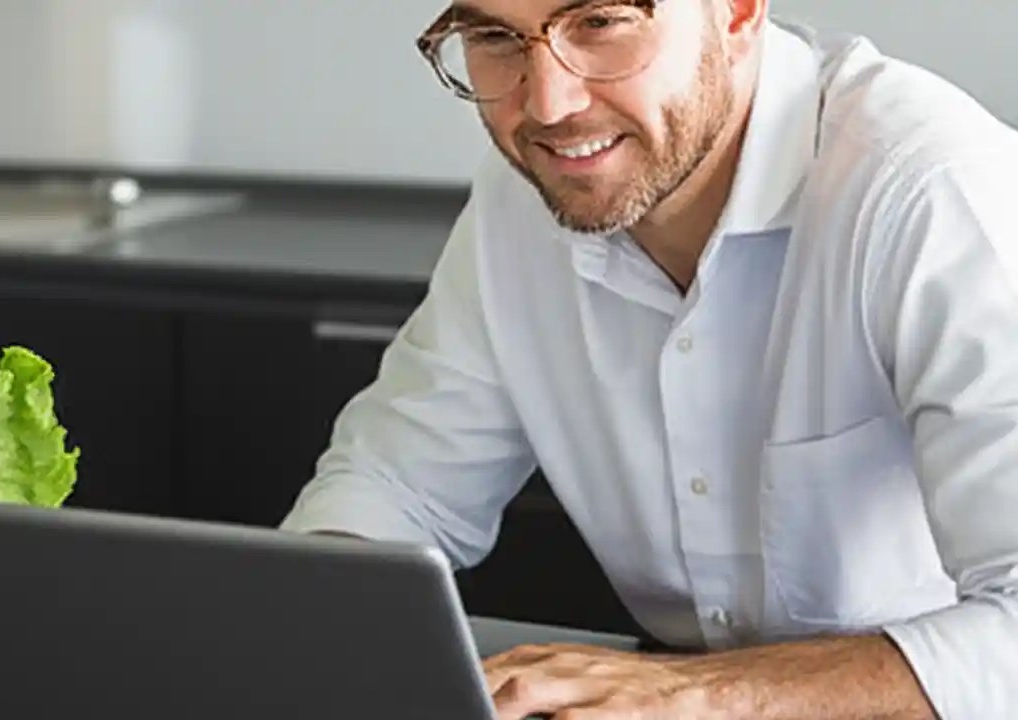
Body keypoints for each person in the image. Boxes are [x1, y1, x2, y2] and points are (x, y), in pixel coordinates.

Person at [279, 0, 1018, 717]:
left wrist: (700, 695)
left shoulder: (936, 192)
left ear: (735, 13)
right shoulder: (525, 200)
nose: (550, 104)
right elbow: (395, 490)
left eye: (600, 23)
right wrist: (295, 631)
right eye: (495, 37)